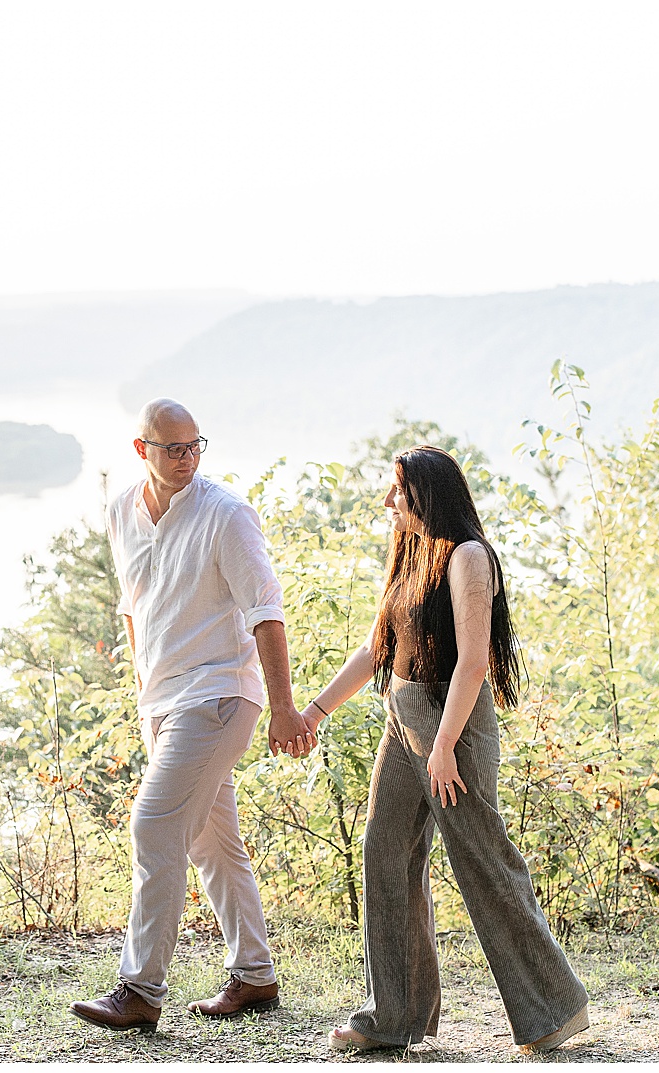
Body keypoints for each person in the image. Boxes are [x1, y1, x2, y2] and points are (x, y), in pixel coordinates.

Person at [303, 445, 589, 1055]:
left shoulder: (467, 557)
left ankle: (554, 1009)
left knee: (483, 860)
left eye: (396, 491)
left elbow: (474, 659)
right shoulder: (411, 555)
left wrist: (445, 746)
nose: (387, 502)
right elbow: (376, 650)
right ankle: (395, 1016)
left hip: (449, 724)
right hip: (402, 718)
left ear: (426, 495)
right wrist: (315, 710)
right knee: (384, 852)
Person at [69, 398, 317, 1034]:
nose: (185, 459)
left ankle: (140, 989)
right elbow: (133, 603)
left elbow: (266, 609)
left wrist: (284, 707)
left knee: (154, 825)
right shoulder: (123, 509)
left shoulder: (226, 515)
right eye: (171, 448)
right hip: (165, 699)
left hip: (219, 694)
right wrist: (141, 688)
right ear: (141, 449)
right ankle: (256, 976)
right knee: (213, 844)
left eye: (194, 447)